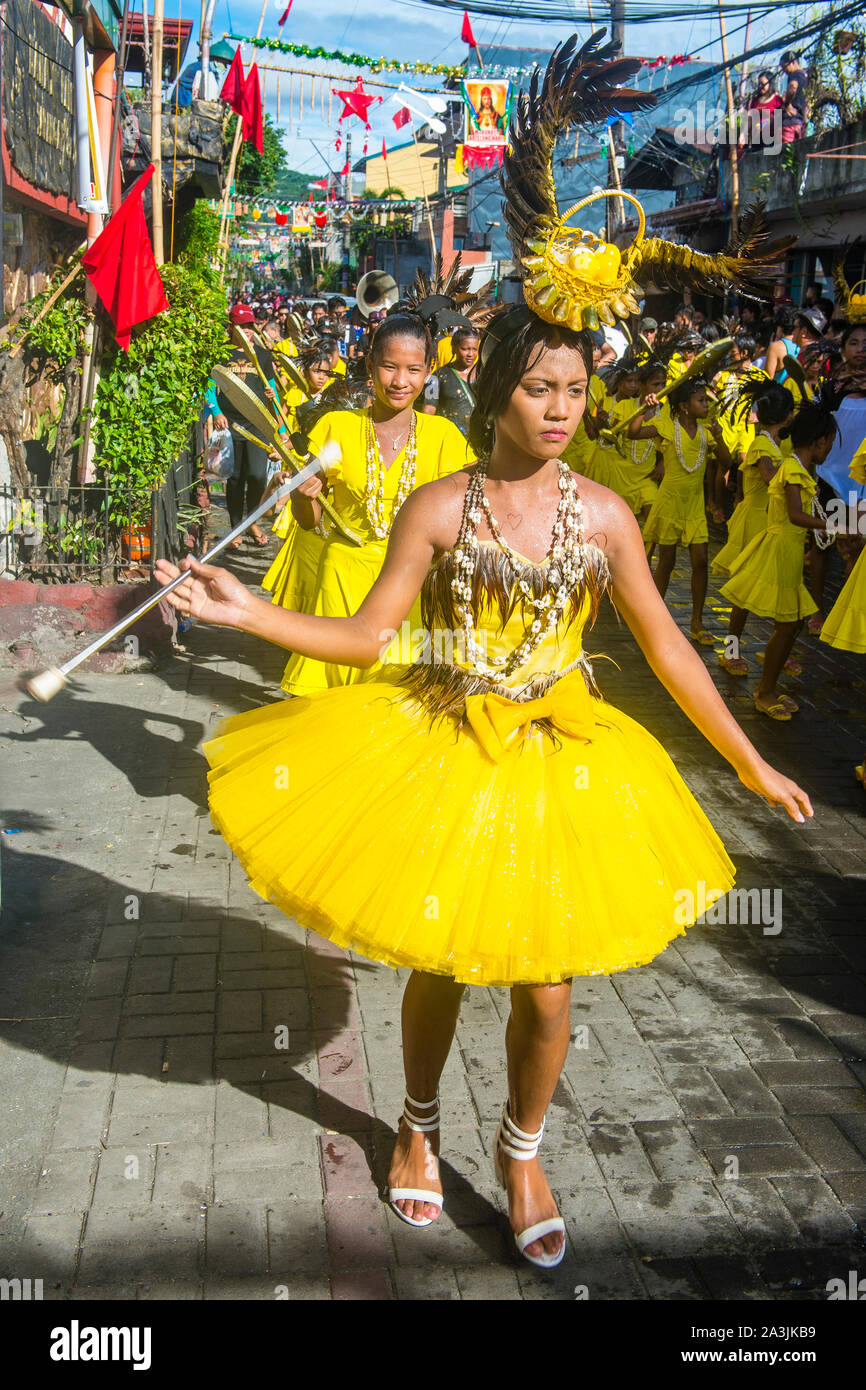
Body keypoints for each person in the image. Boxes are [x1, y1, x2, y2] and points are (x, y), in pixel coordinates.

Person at [155, 38, 813, 1273]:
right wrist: (246, 612)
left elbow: (670, 649)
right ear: (495, 388)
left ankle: (520, 1147)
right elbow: (363, 634)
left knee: (549, 985)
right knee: (442, 961)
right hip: (442, 738)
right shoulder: (440, 505)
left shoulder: (608, 513)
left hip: (565, 756)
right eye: (539, 388)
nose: (560, 409)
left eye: (573, 389)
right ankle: (411, 1130)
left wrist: (746, 762)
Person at [273, 312, 472, 696]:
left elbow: (464, 519)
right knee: (332, 713)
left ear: (429, 370)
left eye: (414, 369)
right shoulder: (336, 427)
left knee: (397, 712)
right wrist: (302, 494)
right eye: (389, 367)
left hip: (412, 590)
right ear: (370, 365)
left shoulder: (445, 436)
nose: (400, 381)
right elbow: (311, 521)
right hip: (342, 581)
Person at [720, 395, 835, 717]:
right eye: (831, 443)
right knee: (749, 603)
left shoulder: (795, 464)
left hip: (783, 543)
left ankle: (768, 679)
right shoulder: (784, 461)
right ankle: (755, 677)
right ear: (820, 441)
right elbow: (797, 513)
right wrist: (835, 523)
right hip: (770, 538)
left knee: (789, 621)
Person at [632, 375, 731, 644]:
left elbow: (727, 461)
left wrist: (720, 437)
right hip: (670, 503)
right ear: (685, 406)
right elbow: (634, 432)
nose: (706, 405)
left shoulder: (707, 429)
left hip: (694, 506)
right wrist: (643, 407)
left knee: (700, 561)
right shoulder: (667, 425)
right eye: (701, 400)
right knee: (666, 561)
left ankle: (697, 622)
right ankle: (655, 619)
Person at [713, 380, 795, 674]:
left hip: (770, 521)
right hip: (755, 524)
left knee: (777, 589)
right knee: (744, 596)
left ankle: (776, 652)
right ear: (786, 415)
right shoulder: (762, 444)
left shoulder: (776, 442)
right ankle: (730, 651)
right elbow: (772, 478)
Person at [421, 327, 479, 435]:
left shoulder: (484, 373)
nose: (470, 354)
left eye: (474, 349)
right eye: (465, 349)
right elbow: (428, 411)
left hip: (481, 439)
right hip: (451, 438)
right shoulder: (437, 376)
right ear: (454, 348)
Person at [741, 70, 783, 152]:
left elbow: (778, 117)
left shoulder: (777, 100)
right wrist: (742, 134)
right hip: (756, 139)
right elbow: (749, 119)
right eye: (759, 83)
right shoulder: (754, 101)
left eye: (763, 84)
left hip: (771, 138)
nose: (760, 86)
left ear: (770, 84)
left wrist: (762, 124)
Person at [779, 49, 809, 143]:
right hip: (799, 122)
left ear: (793, 62)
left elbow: (792, 87)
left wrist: (787, 104)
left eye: (784, 67)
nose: (784, 71)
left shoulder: (795, 74)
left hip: (790, 122)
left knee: (787, 153)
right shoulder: (805, 76)